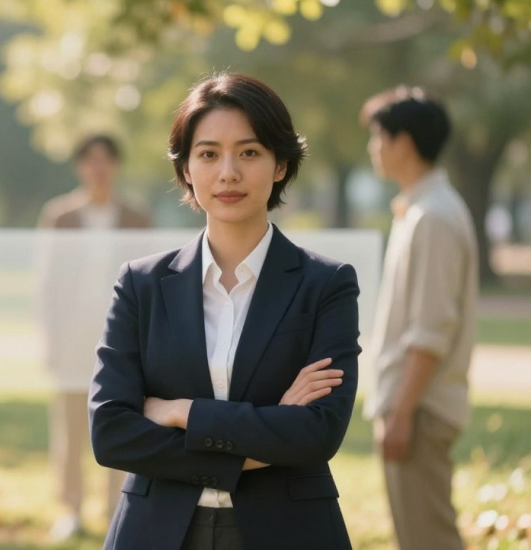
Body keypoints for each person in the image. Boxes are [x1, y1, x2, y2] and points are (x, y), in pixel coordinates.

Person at [89, 73, 360, 550]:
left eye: (249, 152)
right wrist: (269, 427)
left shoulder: (326, 285)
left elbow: (317, 434)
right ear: (187, 168)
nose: (228, 172)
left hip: (290, 533)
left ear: (280, 164)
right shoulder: (141, 284)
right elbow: (112, 433)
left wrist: (182, 411)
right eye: (209, 153)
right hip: (154, 532)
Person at [361, 87, 476, 550]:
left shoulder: (434, 217)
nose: (374, 148)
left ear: (404, 143)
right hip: (413, 405)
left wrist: (403, 412)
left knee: (430, 540)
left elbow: (431, 328)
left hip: (420, 408)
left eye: (378, 137)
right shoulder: (420, 211)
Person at [36, 134, 152, 539]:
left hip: (121, 339)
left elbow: (150, 288)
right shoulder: (60, 217)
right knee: (69, 424)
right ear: (80, 166)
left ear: (116, 166)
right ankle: (70, 508)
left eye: (106, 159)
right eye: (90, 160)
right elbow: (48, 285)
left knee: (120, 421)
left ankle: (116, 506)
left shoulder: (137, 217)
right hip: (72, 335)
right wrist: (49, 340)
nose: (98, 168)